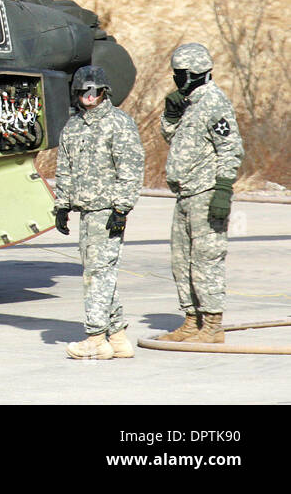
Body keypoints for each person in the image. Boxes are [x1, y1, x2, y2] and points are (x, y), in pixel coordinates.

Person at [52, 65, 145, 360]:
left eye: (93, 91)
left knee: (97, 274)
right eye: (83, 91)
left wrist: (121, 208)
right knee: (100, 273)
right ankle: (116, 337)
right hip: (86, 211)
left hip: (108, 211)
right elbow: (64, 168)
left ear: (104, 91)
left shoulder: (119, 123)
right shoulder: (73, 126)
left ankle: (95, 338)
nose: (88, 97)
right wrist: (62, 204)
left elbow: (131, 169)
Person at [157, 43, 243, 344]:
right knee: (182, 261)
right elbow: (173, 138)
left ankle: (213, 324)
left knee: (206, 259)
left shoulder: (214, 102)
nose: (177, 79)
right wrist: (170, 114)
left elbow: (230, 148)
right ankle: (192, 320)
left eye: (181, 74)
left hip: (206, 193)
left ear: (195, 73)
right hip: (185, 193)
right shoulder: (190, 102)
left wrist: (223, 190)